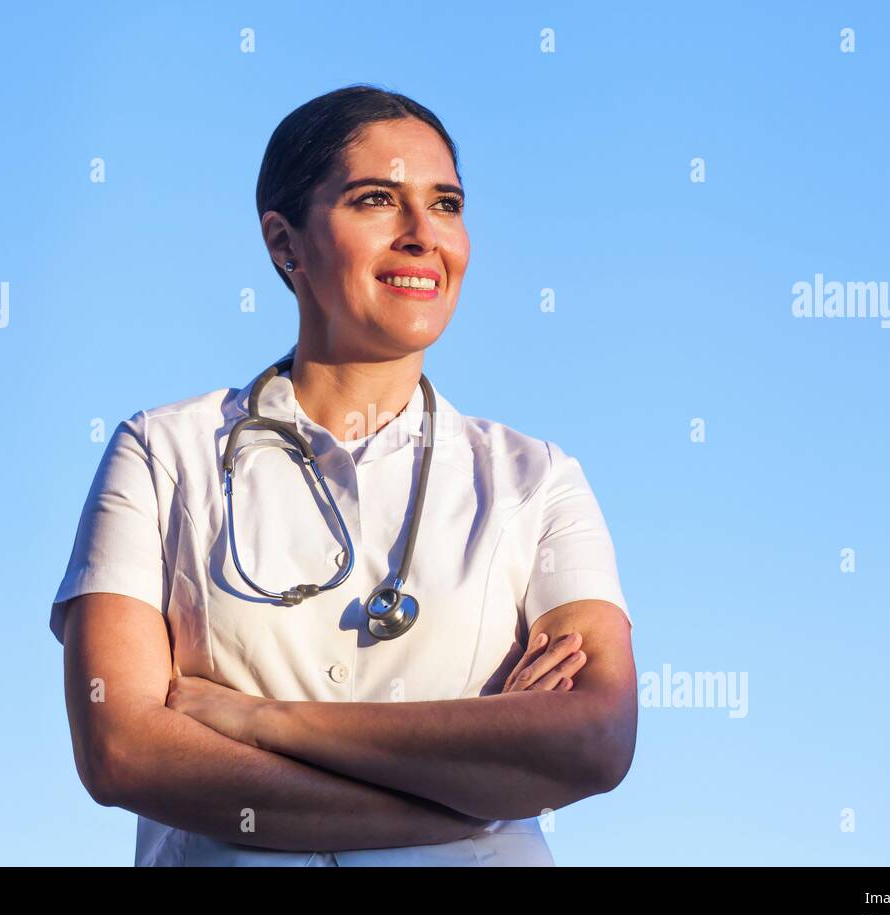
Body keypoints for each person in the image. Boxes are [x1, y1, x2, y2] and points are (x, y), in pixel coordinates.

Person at [49, 84, 637, 866]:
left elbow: (595, 739)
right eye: (376, 200)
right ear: (284, 243)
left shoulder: (536, 480)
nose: (425, 235)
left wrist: (262, 722)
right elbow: (124, 750)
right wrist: (469, 804)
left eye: (448, 204)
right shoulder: (162, 454)